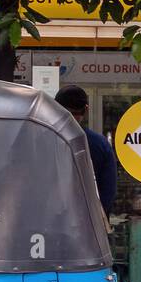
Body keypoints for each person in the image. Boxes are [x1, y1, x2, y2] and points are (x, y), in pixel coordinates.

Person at [54, 85, 117, 218]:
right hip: (87, 225)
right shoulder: (100, 144)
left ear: (55, 109)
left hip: (50, 224)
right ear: (86, 110)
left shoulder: (43, 139)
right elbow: (108, 192)